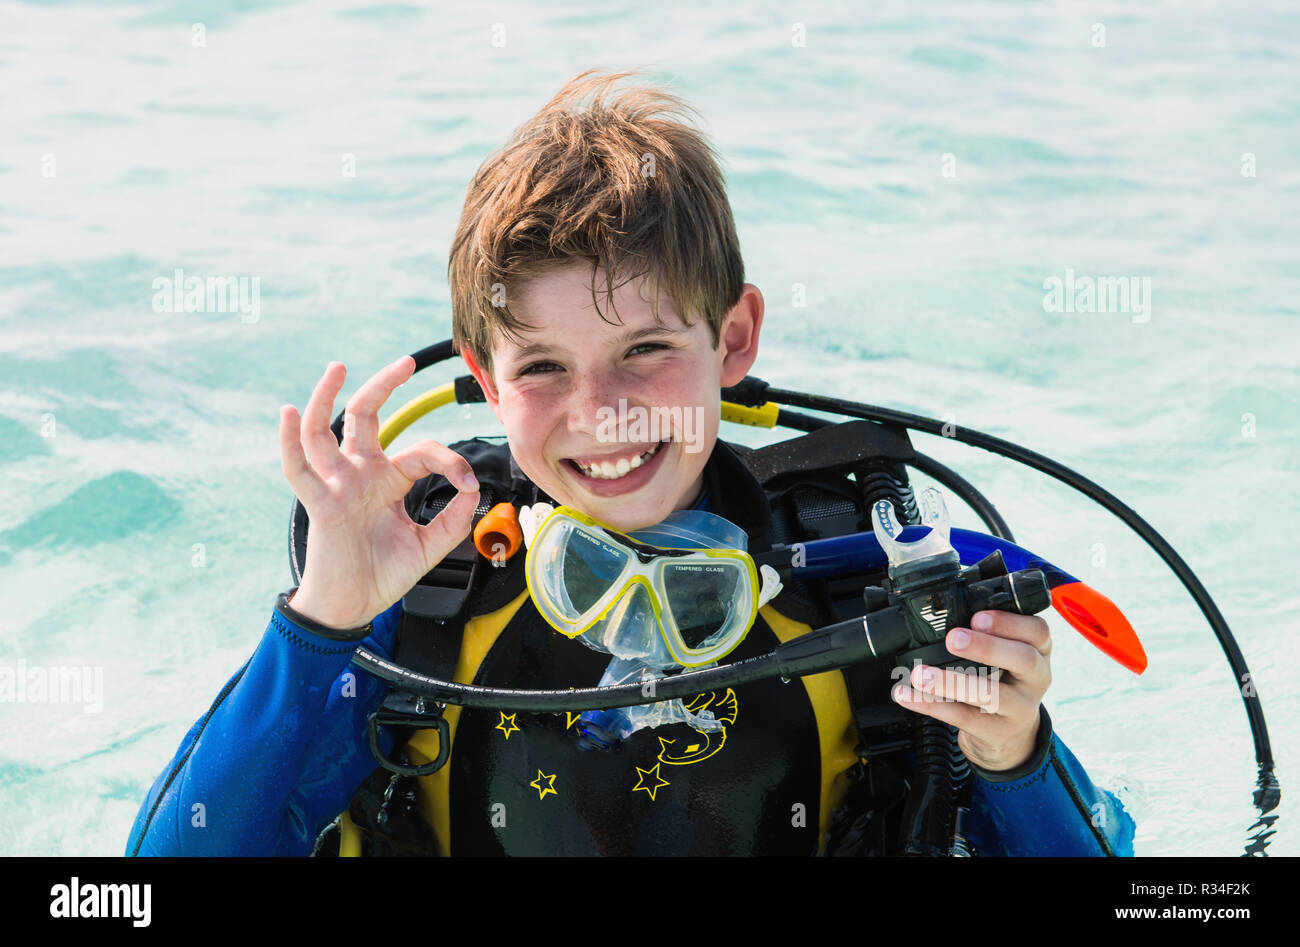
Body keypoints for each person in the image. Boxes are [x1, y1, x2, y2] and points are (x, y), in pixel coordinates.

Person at [126, 69, 1135, 857]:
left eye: (645, 350)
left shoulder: (865, 601)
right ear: (482, 372)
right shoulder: (422, 598)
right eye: (544, 366)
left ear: (733, 339)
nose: (600, 412)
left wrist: (1011, 753)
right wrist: (322, 621)